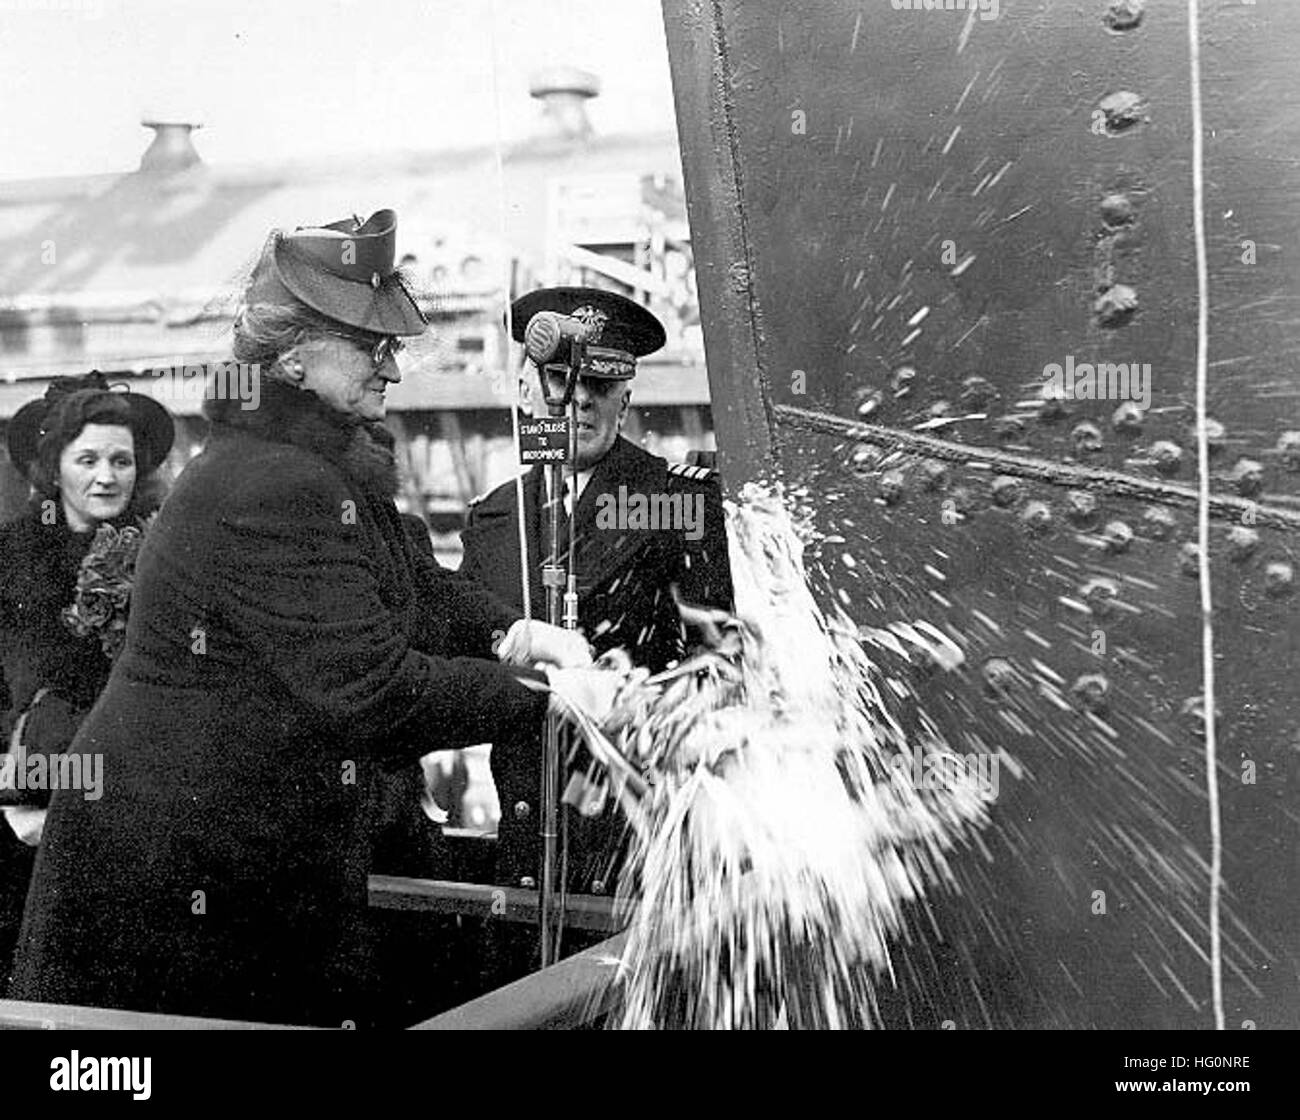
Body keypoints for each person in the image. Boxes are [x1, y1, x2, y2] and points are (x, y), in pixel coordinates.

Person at [8, 211, 613, 1027]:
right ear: (292, 356)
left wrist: (507, 633)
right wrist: (551, 697)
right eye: (371, 345)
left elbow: (414, 585)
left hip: (239, 861)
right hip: (170, 887)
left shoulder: (310, 464)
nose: (392, 367)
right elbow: (373, 692)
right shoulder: (275, 484)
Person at [459, 286, 734, 896]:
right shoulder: (496, 519)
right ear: (526, 389)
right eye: (561, 379)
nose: (579, 399)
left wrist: (630, 704)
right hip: (528, 847)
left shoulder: (679, 503)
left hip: (640, 855)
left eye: (600, 387)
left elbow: (723, 665)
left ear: (625, 398)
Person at [0, 372, 175, 992]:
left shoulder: (164, 549)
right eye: (89, 460)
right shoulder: (14, 555)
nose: (107, 476)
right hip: (41, 782)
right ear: (56, 468)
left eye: (121, 461)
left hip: (142, 780)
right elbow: (31, 683)